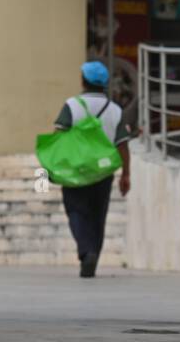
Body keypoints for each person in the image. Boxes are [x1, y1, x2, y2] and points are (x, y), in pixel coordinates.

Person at [53, 61, 132, 278]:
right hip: (103, 172)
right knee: (98, 215)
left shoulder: (72, 105)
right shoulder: (115, 110)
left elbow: (58, 136)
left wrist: (55, 166)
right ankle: (93, 253)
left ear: (83, 81)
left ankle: (86, 251)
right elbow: (122, 144)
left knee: (76, 210)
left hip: (76, 171)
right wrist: (126, 174)